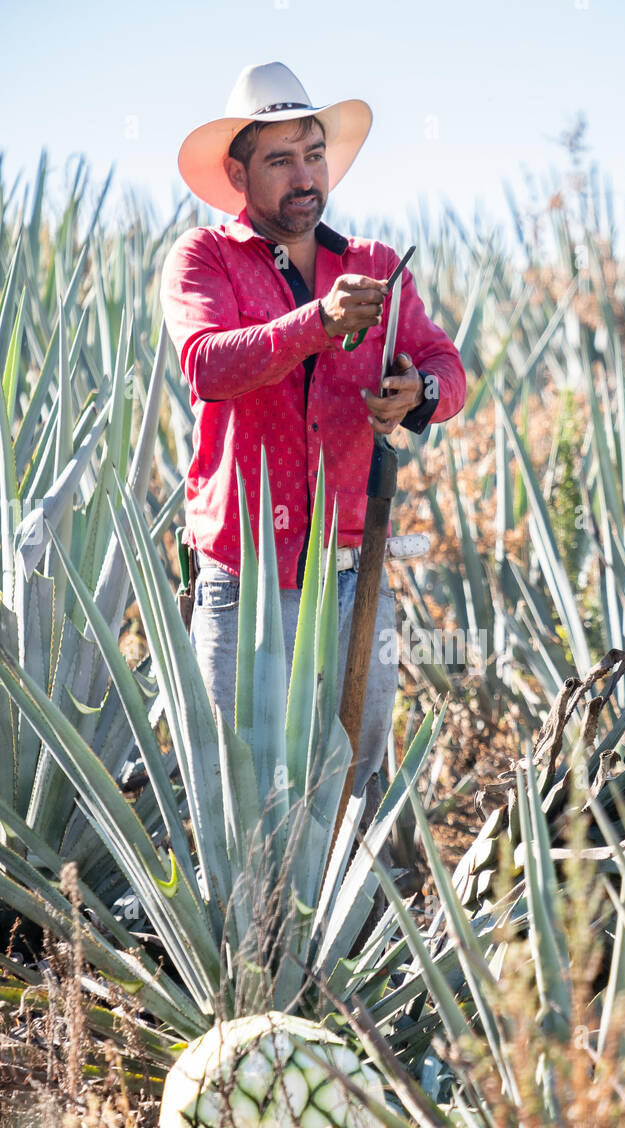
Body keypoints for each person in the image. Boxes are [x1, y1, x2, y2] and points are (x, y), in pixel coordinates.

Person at [160, 61, 466, 816]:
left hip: (352, 575)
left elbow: (444, 366)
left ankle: (348, 933)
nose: (305, 176)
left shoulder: (373, 266)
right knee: (236, 796)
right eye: (280, 159)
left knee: (352, 789)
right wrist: (317, 323)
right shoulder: (203, 259)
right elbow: (208, 365)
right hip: (243, 578)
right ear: (238, 172)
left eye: (314, 154)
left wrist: (415, 393)